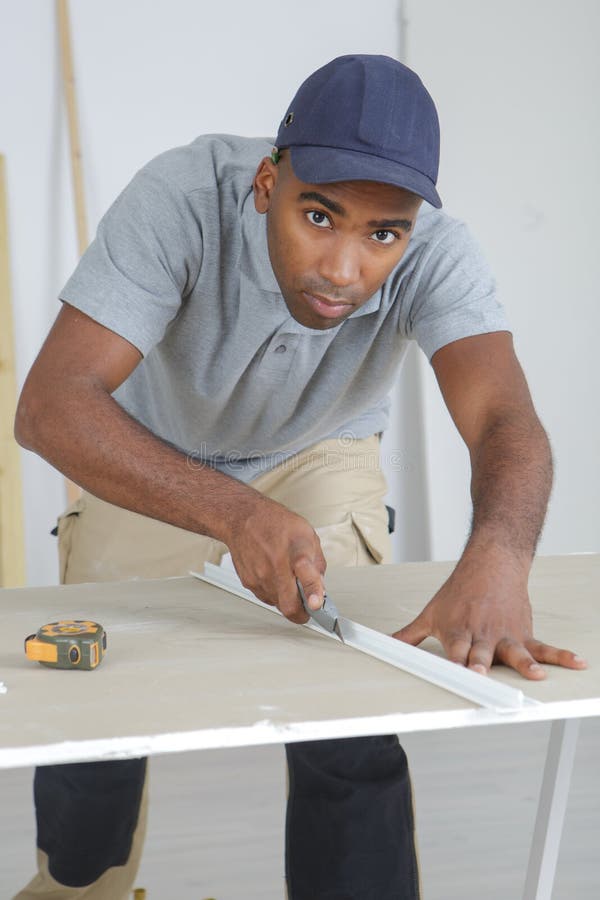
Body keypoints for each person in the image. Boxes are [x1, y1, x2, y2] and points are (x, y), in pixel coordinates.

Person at [14, 54, 585, 900]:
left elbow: (507, 421)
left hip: (320, 454)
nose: (344, 270)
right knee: (100, 715)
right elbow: (51, 409)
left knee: (349, 714)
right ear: (266, 183)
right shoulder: (178, 200)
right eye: (319, 215)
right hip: (153, 450)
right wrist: (235, 513)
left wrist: (499, 556)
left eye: (382, 235)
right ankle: (76, 887)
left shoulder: (439, 250)